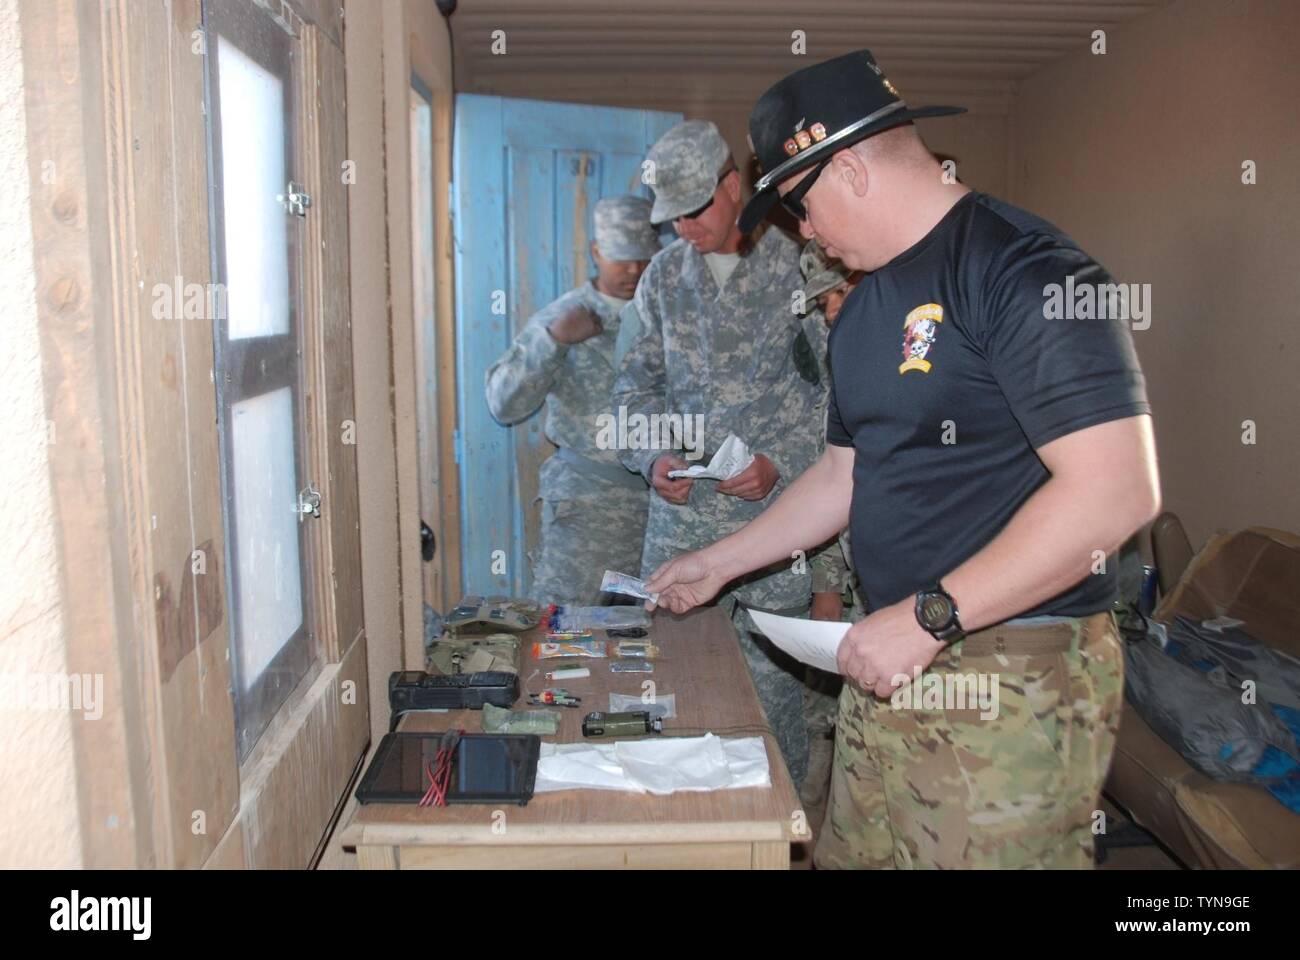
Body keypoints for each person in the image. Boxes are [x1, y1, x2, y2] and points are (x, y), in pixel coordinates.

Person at [646, 50, 1161, 869]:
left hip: (1012, 664)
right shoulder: (864, 307)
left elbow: (1118, 492)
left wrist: (932, 615)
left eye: (801, 207)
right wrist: (719, 563)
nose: (803, 233)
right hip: (886, 652)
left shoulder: (1025, 270)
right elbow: (843, 477)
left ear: (848, 168)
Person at [611, 119, 830, 789]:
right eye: (670, 216)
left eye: (696, 209)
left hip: (776, 533)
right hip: (681, 538)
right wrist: (651, 461)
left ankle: (780, 840)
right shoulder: (662, 282)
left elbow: (836, 405)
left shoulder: (801, 271)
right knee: (674, 695)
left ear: (733, 186)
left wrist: (779, 466)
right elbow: (630, 396)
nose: (684, 229)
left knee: (772, 708)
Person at [485, 195, 658, 605]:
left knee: (650, 642)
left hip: (663, 514)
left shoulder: (669, 315)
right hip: (587, 514)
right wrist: (553, 341)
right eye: (621, 258)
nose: (634, 270)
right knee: (564, 636)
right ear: (597, 252)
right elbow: (503, 403)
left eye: (643, 258)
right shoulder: (564, 316)